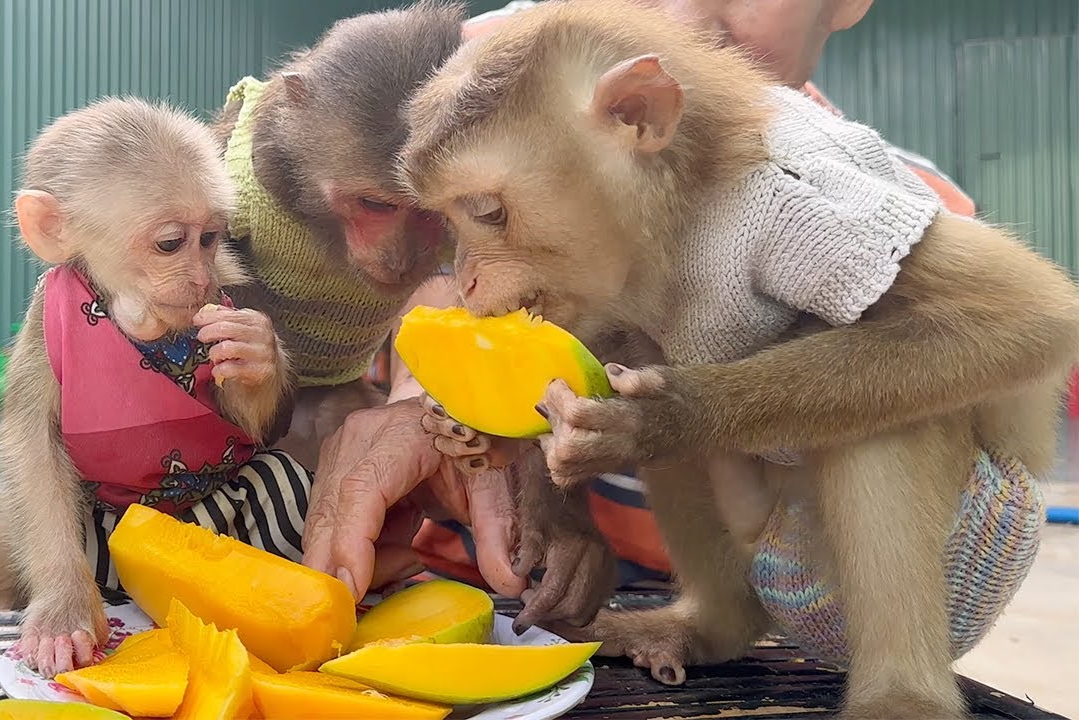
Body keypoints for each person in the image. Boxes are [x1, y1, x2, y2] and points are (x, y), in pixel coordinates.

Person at [302, 0, 981, 601]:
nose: (675, 19)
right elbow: (447, 260)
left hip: (744, 597)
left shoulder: (873, 201)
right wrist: (432, 409)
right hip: (456, 579)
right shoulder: (478, 64)